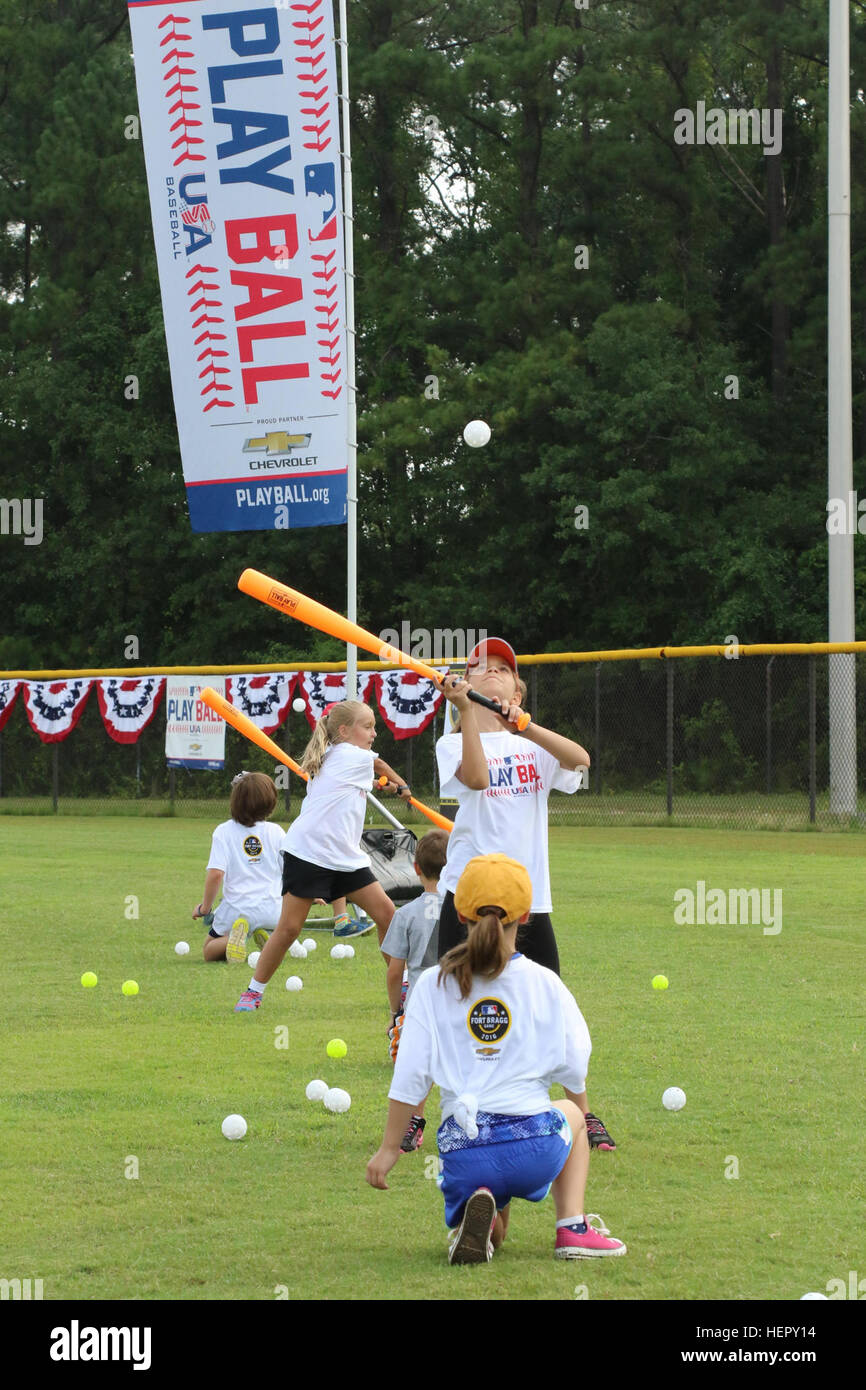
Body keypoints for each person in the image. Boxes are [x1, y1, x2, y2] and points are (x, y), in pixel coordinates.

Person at [365, 854, 627, 1264]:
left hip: (462, 1147)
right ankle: (572, 1228)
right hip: (533, 1146)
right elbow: (575, 1064)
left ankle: (481, 1212)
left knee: (488, 1184)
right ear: (526, 916)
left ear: (459, 912)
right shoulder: (545, 983)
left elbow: (412, 1073)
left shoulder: (433, 984)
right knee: (573, 1118)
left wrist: (388, 1148)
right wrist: (581, 1113)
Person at [435, 638, 617, 1152]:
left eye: (502, 669)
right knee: (451, 1002)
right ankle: (433, 1112)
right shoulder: (455, 741)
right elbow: (474, 777)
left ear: (517, 687)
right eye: (481, 668)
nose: (492, 672)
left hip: (529, 901)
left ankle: (581, 1113)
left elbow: (581, 760)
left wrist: (525, 725)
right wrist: (466, 710)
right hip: (466, 899)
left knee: (551, 1004)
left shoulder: (532, 743)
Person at [233, 700, 410, 1012]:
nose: (373, 733)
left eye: (373, 726)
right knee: (288, 929)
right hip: (309, 855)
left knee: (386, 914)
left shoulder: (336, 756)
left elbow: (363, 780)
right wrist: (403, 787)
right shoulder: (352, 756)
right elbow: (380, 768)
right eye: (367, 727)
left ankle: (404, 982)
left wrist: (386, 788)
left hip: (344, 857)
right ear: (343, 731)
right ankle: (253, 991)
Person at [380, 828, 449, 1152]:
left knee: (416, 1065)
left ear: (416, 869)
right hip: (458, 1000)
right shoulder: (462, 909)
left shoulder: (405, 913)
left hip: (422, 1003)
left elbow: (396, 972)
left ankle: (414, 1123)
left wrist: (397, 1012)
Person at [193, 771, 284, 962]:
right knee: (261, 922)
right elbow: (292, 871)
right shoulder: (277, 832)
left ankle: (235, 939)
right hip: (273, 910)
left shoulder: (224, 831)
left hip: (237, 910)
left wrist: (205, 908)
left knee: (208, 951)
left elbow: (216, 874)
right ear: (271, 801)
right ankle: (264, 935)